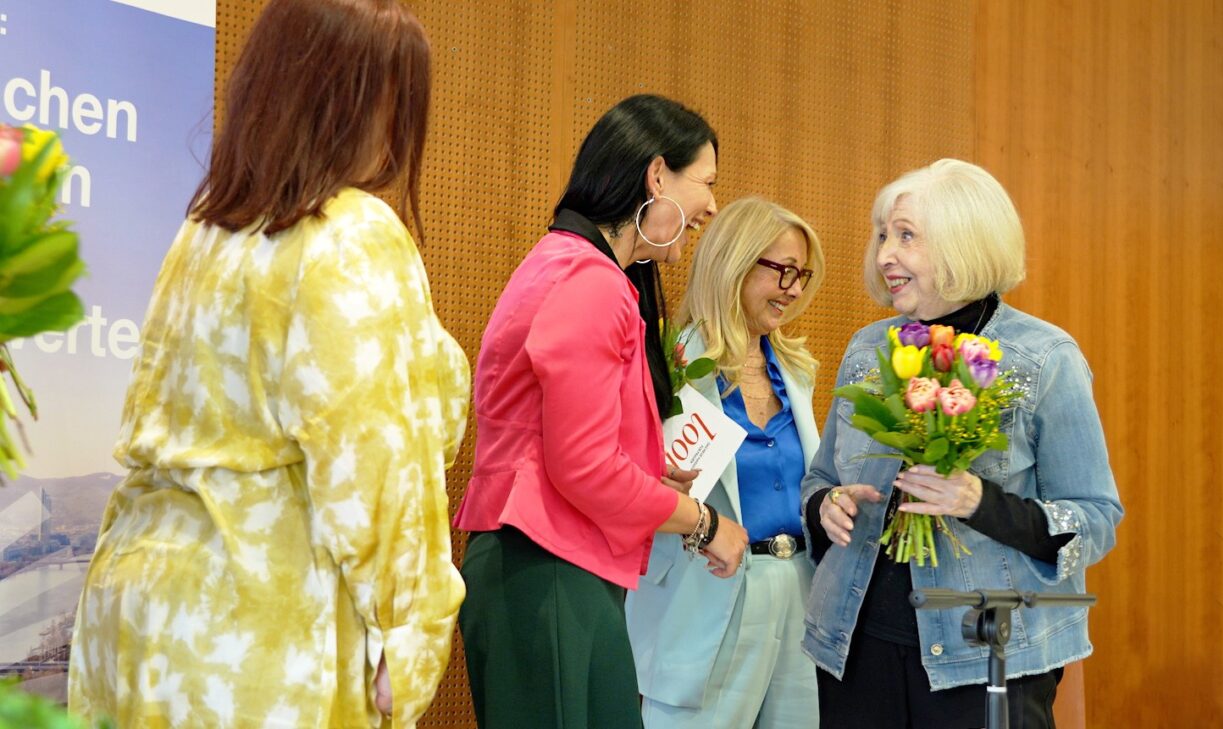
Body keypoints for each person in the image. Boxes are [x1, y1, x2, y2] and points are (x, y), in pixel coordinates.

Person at [67, 2, 468, 726]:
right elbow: (378, 464)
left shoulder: (208, 230)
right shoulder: (351, 236)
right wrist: (411, 629)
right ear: (363, 105)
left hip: (137, 612)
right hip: (259, 634)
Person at [454, 94, 749, 728]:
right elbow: (582, 468)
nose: (714, 206)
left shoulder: (569, 266)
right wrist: (700, 522)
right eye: (707, 183)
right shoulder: (590, 281)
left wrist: (646, 483)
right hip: (549, 572)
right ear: (657, 176)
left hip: (551, 568)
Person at [802, 159, 1124, 728]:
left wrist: (979, 501)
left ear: (962, 242)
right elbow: (820, 477)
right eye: (882, 235)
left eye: (905, 236)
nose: (883, 256)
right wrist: (825, 506)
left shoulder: (1045, 359)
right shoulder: (866, 348)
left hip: (987, 658)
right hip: (856, 650)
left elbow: (1095, 520)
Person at [626, 196, 827, 728]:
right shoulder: (669, 363)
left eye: (802, 274)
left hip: (797, 593)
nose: (795, 289)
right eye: (783, 270)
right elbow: (624, 480)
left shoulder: (796, 371)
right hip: (706, 588)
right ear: (734, 261)